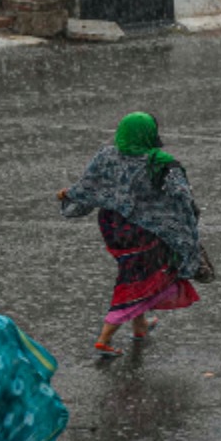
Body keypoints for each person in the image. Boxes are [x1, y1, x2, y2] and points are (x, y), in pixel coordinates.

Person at [57, 112, 203, 358]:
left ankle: (140, 326)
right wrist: (184, 227)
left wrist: (68, 194)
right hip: (147, 233)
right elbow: (183, 197)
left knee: (137, 273)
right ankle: (105, 337)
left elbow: (87, 186)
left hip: (115, 230)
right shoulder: (160, 163)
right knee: (139, 279)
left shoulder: (106, 156)